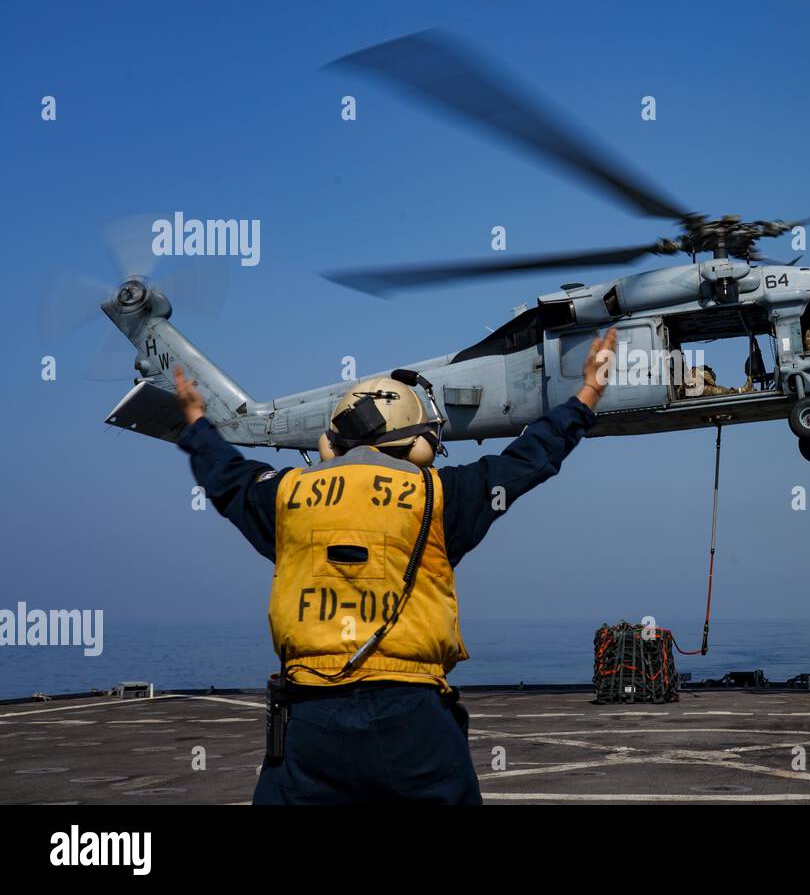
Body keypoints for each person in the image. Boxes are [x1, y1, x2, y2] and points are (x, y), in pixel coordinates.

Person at [171, 327, 617, 804]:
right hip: (414, 724)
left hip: (311, 721)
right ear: (419, 443)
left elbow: (226, 477)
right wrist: (588, 393)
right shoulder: (442, 496)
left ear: (330, 442)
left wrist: (197, 421)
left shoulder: (284, 497)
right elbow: (530, 456)